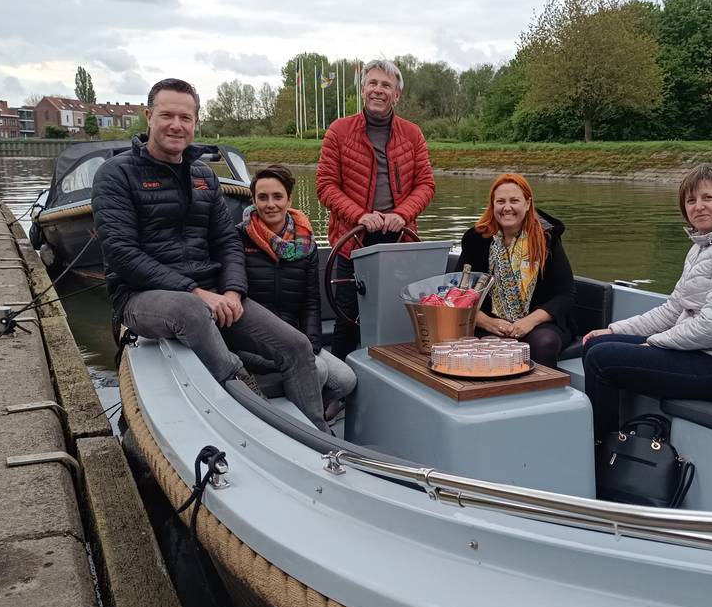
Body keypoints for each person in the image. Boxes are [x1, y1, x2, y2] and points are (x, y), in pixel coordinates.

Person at [92, 78, 330, 433]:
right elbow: (122, 254)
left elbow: (227, 242)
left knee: (295, 345)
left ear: (195, 121)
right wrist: (196, 292)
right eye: (167, 115)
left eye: (185, 117)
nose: (177, 124)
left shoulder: (204, 176)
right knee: (191, 310)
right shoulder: (115, 175)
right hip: (141, 297)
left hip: (211, 293)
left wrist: (233, 291)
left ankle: (317, 438)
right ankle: (254, 415)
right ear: (148, 117)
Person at [582, 162, 712, 440]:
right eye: (691, 200)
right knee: (596, 343)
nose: (698, 206)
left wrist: (654, 342)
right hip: (704, 354)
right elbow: (674, 309)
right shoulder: (705, 245)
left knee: (602, 358)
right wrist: (615, 330)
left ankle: (604, 447)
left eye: (707, 198)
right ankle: (609, 437)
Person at [317, 59, 435, 359]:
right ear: (363, 89)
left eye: (386, 85)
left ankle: (395, 383)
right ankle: (339, 392)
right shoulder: (339, 131)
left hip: (400, 241)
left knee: (400, 321)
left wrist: (401, 215)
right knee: (347, 322)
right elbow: (326, 185)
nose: (378, 90)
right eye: (373, 83)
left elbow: (425, 185)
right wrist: (360, 216)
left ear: (396, 95)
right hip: (351, 242)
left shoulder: (412, 134)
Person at [236, 165, 357, 423]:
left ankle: (302, 413)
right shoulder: (238, 238)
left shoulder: (307, 245)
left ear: (289, 200)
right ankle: (306, 424)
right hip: (255, 339)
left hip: (297, 335)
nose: (270, 204)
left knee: (346, 381)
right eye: (263, 197)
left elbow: (311, 301)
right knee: (319, 371)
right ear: (253, 200)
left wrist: (310, 345)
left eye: (277, 197)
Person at [455, 173, 575, 367]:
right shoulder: (476, 239)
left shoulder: (547, 239)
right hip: (489, 320)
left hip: (539, 321)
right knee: (489, 346)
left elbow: (565, 295)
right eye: (500, 201)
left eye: (514, 201)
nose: (507, 207)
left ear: (527, 204)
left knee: (544, 343)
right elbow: (460, 293)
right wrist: (487, 322)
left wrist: (528, 322)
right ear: (492, 205)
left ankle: (541, 394)